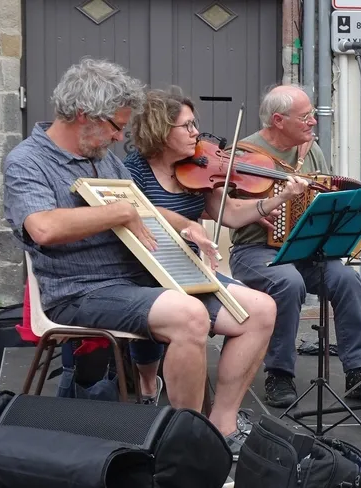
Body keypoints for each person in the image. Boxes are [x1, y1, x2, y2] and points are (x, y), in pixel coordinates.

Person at [1, 58, 272, 458]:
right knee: (190, 316)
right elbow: (43, 228)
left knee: (261, 310)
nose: (119, 137)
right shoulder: (27, 161)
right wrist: (119, 212)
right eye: (116, 126)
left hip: (142, 277)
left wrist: (185, 226)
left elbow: (140, 207)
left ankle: (221, 426)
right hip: (82, 290)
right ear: (83, 116)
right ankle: (186, 443)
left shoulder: (102, 156)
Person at [122, 88, 307, 428]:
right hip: (144, 270)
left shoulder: (199, 168)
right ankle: (150, 384)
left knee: (263, 308)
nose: (197, 133)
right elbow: (138, 211)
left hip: (192, 270)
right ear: (161, 131)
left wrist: (281, 197)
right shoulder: (133, 170)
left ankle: (223, 420)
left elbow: (232, 214)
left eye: (195, 124)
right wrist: (185, 226)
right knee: (166, 331)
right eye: (187, 126)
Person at [227, 84, 361, 407]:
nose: (313, 122)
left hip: (307, 251)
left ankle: (359, 371)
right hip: (255, 252)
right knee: (288, 282)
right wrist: (260, 212)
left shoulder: (310, 151)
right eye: (306, 116)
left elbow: (326, 199)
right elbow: (223, 209)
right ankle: (279, 373)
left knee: (348, 279)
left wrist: (356, 225)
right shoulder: (243, 154)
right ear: (279, 120)